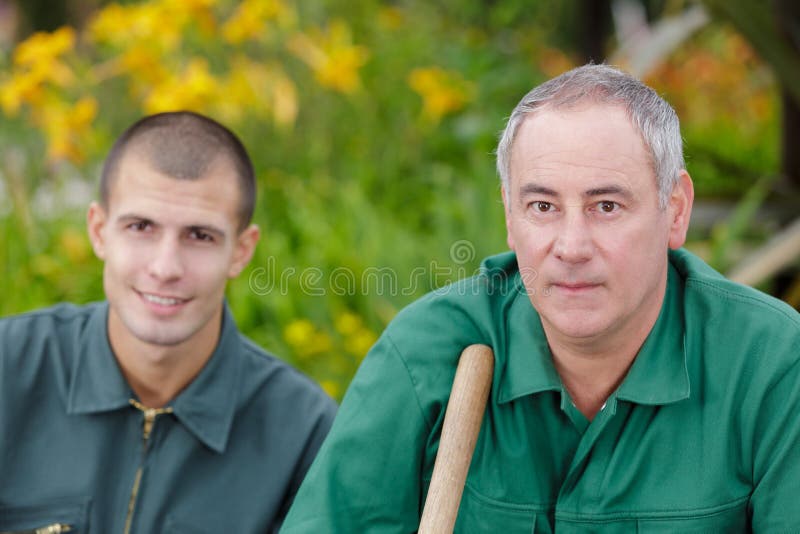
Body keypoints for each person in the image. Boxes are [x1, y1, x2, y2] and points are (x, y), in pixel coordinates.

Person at [281, 64, 800, 532]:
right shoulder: (425, 353)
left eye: (607, 206)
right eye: (543, 205)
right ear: (510, 214)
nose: (571, 248)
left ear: (676, 209)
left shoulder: (772, 364)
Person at [0, 111, 337, 533]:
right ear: (99, 231)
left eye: (200, 235)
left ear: (241, 250)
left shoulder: (304, 434)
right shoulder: (9, 370)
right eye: (141, 226)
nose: (165, 267)